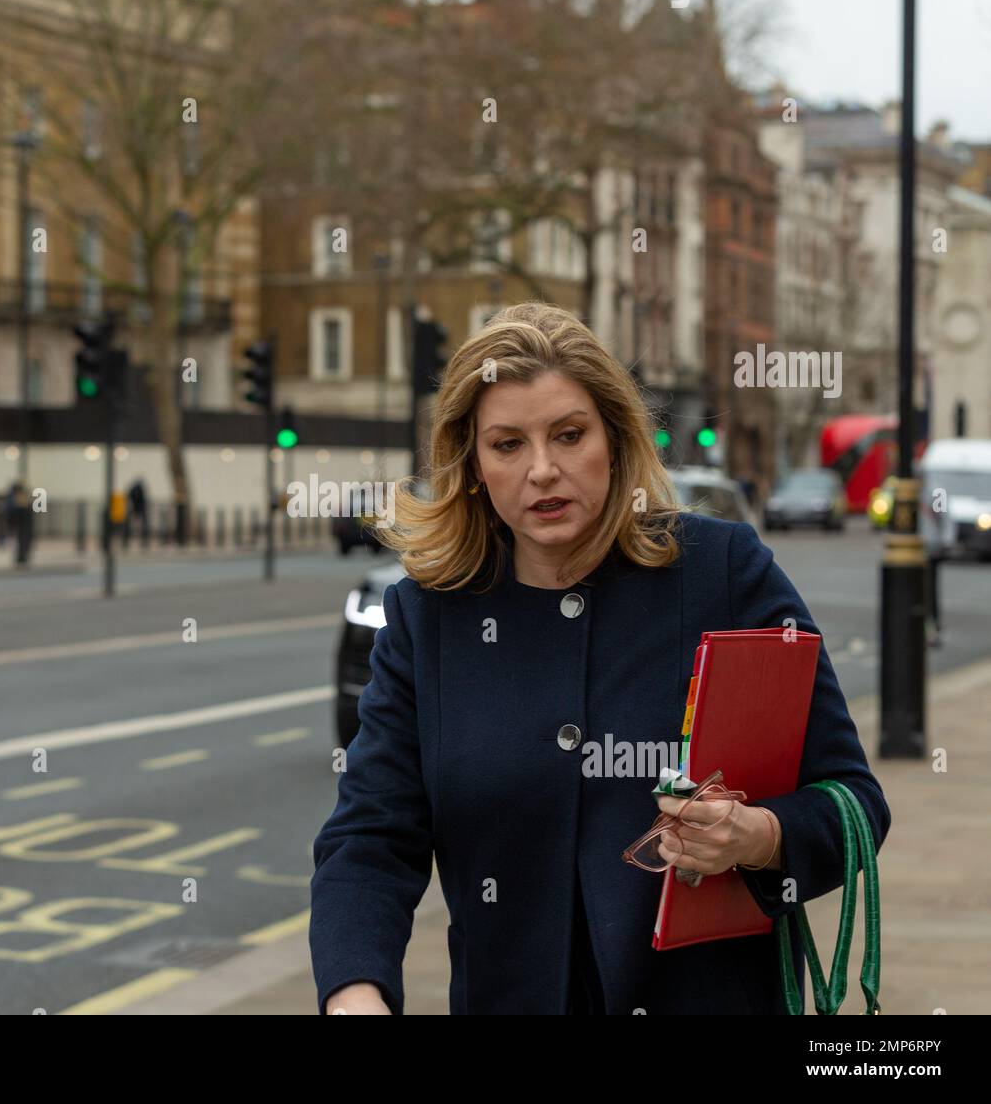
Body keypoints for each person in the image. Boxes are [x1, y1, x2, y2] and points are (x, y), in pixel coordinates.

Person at [309, 303, 890, 1015]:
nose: (543, 470)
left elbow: (853, 800)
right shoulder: (426, 617)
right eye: (507, 444)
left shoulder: (724, 573)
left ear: (614, 438)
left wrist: (758, 836)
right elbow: (369, 840)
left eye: (569, 434)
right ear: (472, 463)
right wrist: (353, 992)